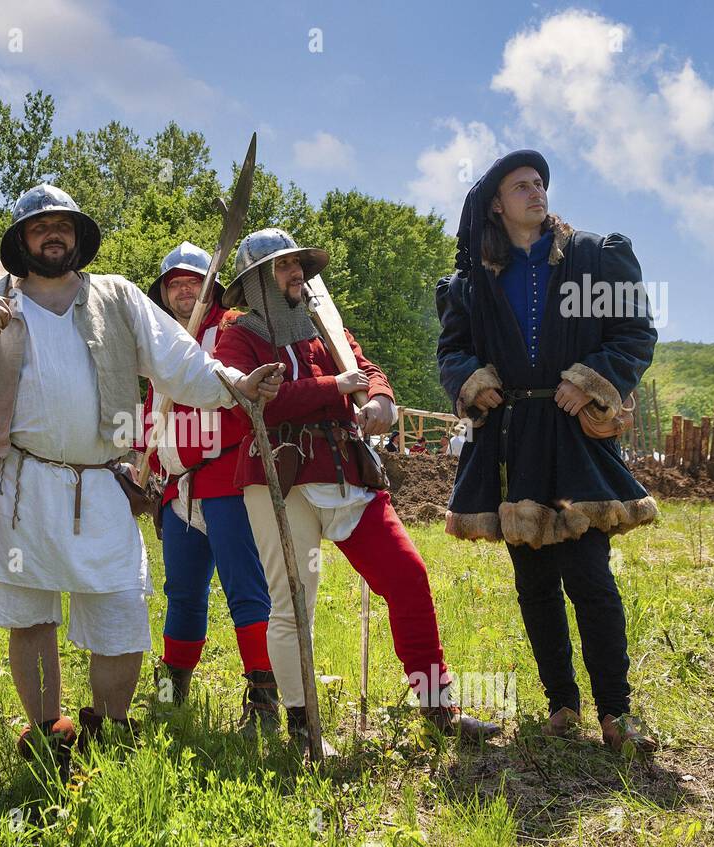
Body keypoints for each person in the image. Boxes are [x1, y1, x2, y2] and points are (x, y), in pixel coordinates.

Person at [0, 185, 282, 767]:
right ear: (21, 240)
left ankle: (109, 729)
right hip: (21, 484)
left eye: (63, 225)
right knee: (32, 613)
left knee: (120, 608)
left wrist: (236, 387)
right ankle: (49, 736)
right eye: (40, 226)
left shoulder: (116, 298)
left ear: (78, 235)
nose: (53, 234)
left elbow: (179, 361)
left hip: (102, 482)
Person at [213, 228, 501, 755]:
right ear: (255, 282)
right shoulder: (237, 339)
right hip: (279, 477)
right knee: (293, 604)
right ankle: (304, 727)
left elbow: (366, 369)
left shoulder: (324, 325)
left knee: (408, 575)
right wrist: (334, 388)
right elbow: (258, 403)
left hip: (345, 469)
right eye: (282, 266)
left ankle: (437, 707)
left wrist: (381, 399)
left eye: (298, 263)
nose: (296, 272)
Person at [435, 149, 659, 753]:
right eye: (521, 186)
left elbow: (636, 333)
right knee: (533, 580)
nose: (537, 192)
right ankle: (561, 701)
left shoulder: (592, 257)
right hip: (510, 437)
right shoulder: (471, 281)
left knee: (589, 576)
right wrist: (472, 382)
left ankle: (616, 711)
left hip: (572, 434)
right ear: (495, 205)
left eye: (540, 184)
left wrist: (591, 379)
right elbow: (451, 352)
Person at [139, 242, 279, 734]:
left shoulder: (236, 327)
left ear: (210, 286)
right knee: (182, 593)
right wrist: (148, 471)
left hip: (228, 478)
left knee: (246, 590)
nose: (183, 291)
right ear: (164, 292)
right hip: (177, 488)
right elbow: (154, 415)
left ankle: (264, 700)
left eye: (192, 282)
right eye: (174, 284)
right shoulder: (158, 340)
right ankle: (167, 693)